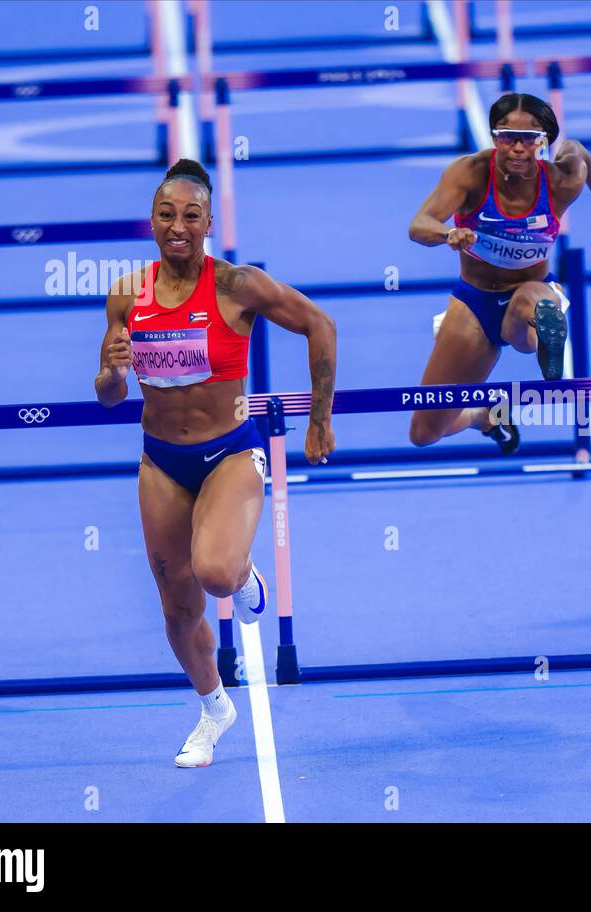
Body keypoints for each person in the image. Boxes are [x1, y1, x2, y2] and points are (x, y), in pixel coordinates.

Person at [95, 159, 337, 766]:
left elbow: (320, 324)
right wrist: (112, 369)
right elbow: (108, 393)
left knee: (216, 574)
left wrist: (319, 419)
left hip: (229, 451)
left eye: (191, 216)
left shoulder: (237, 286)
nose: (178, 226)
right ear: (151, 221)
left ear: (209, 223)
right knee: (176, 607)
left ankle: (245, 576)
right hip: (160, 463)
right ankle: (213, 709)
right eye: (166, 214)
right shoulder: (127, 293)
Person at [406, 92, 591, 453]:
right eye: (507, 137)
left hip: (530, 289)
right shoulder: (470, 174)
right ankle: (483, 415)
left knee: (528, 317)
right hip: (474, 302)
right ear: (494, 136)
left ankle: (543, 334)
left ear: (543, 141)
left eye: (529, 139)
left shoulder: (560, 181)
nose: (517, 148)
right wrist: (447, 233)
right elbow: (419, 224)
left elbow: (577, 151)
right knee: (424, 433)